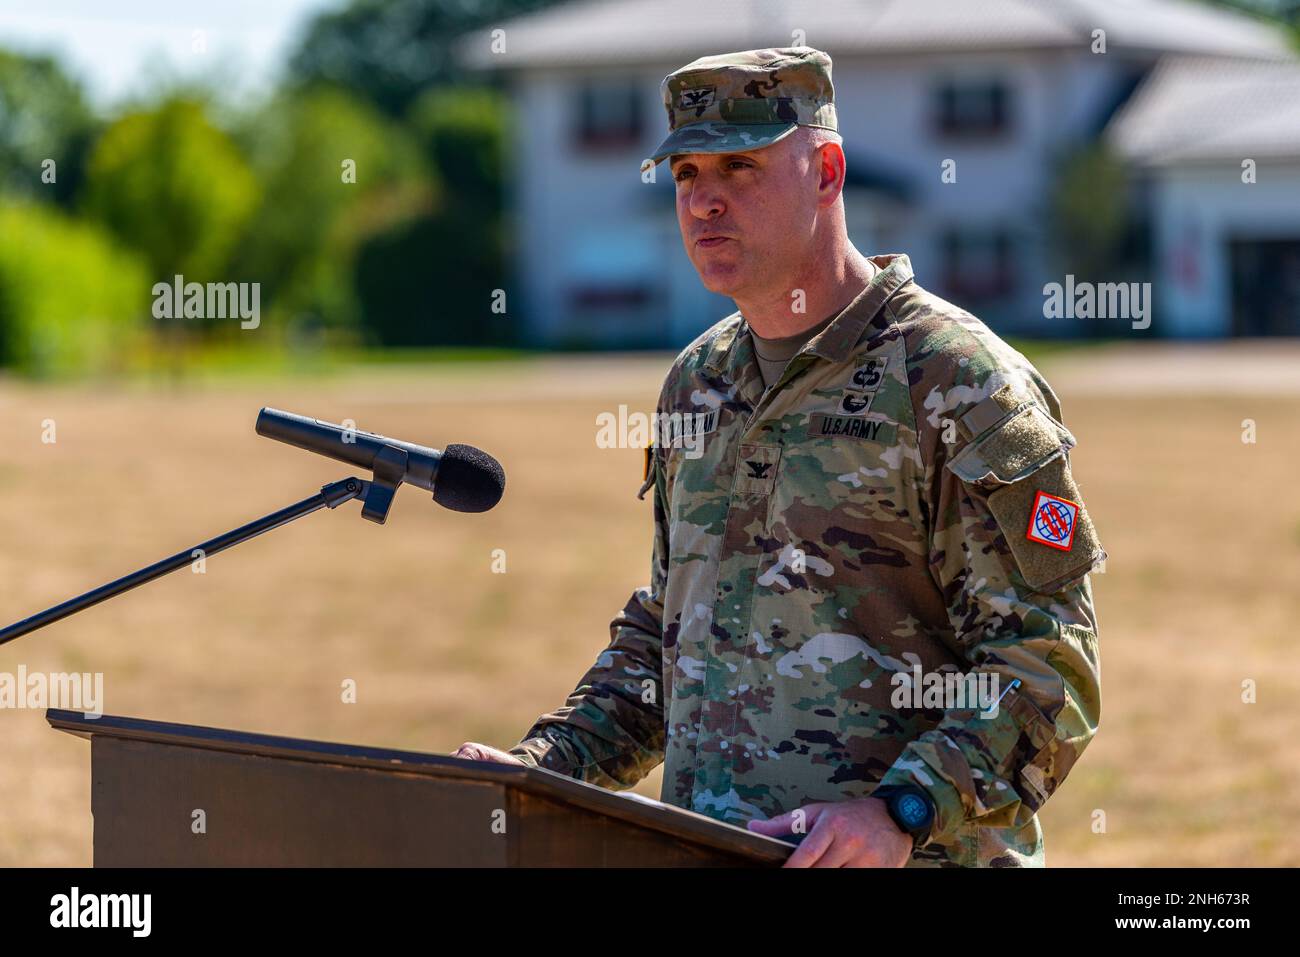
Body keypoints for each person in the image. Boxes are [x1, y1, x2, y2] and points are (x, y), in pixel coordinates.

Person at [457, 47, 1104, 868]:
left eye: (741, 166)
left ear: (827, 170)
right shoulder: (697, 385)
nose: (705, 200)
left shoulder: (957, 381)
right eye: (686, 172)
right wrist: (536, 772)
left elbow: (1049, 668)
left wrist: (899, 811)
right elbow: (671, 636)